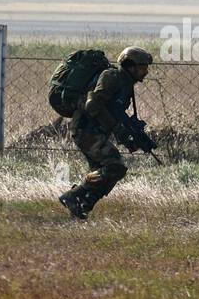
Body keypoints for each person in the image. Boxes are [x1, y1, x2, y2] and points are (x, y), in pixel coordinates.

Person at [59, 47, 153, 220]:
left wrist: (129, 138)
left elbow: (115, 112)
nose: (146, 71)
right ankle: (74, 196)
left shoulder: (126, 84)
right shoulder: (111, 77)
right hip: (85, 129)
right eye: (142, 67)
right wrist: (118, 129)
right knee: (114, 167)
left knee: (105, 175)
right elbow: (93, 105)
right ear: (130, 66)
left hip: (97, 132)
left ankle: (80, 208)